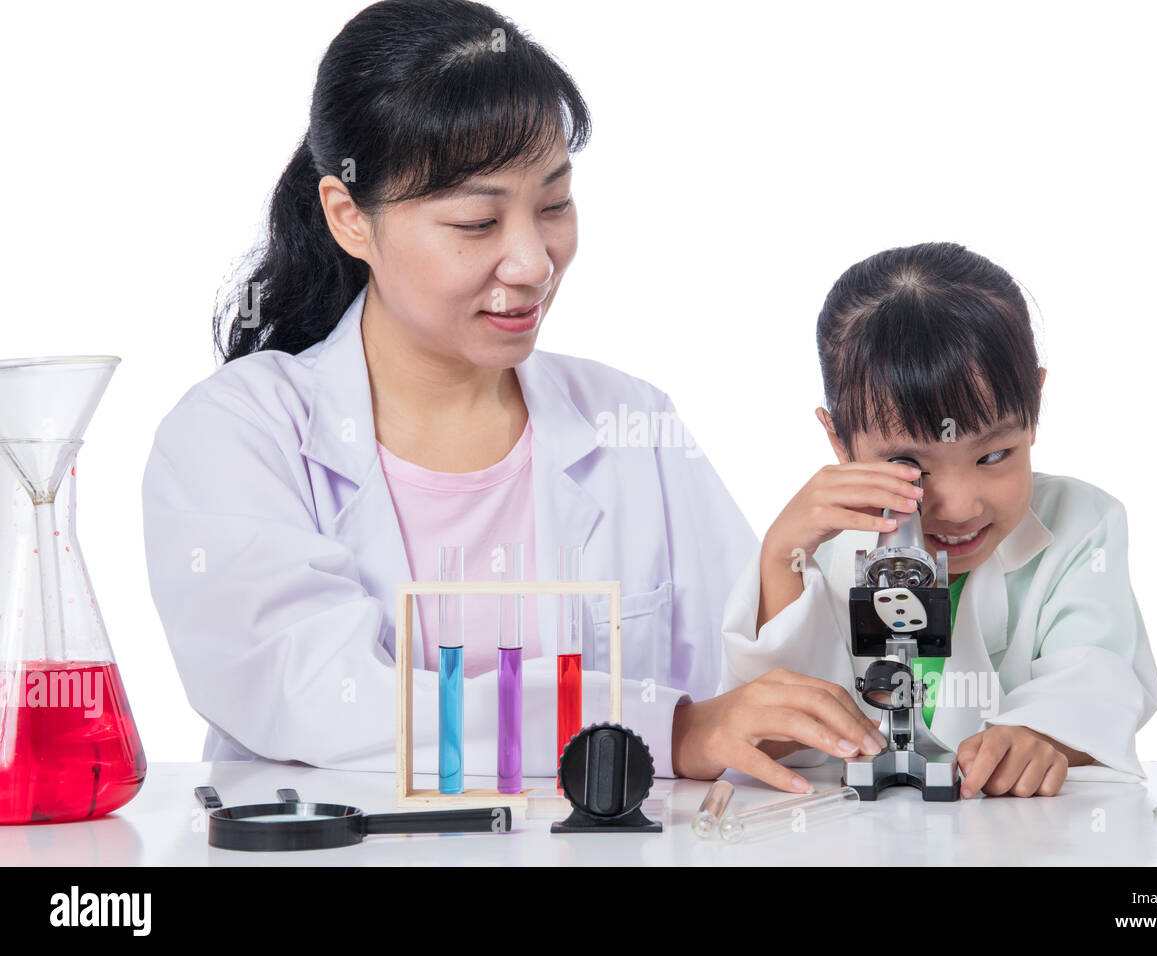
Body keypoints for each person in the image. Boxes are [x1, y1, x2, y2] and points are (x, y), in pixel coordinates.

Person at [140, 0, 758, 777]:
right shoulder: (237, 434)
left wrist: (809, 571)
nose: (534, 262)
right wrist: (658, 730)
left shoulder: (631, 420)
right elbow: (322, 702)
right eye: (477, 222)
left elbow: (752, 689)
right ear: (350, 217)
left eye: (555, 204)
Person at [679, 241, 1157, 796]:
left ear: (1035, 406)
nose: (958, 507)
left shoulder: (1083, 524)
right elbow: (774, 732)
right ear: (837, 439)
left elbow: (1099, 682)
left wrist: (1036, 732)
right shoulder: (819, 550)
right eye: (908, 465)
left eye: (994, 455)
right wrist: (781, 556)